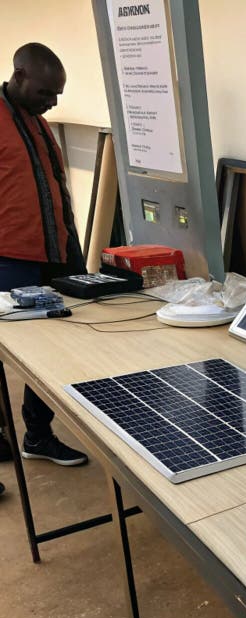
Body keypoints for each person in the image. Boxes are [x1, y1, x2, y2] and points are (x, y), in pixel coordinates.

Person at [0, 43, 87, 466]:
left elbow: (52, 189)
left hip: (55, 253)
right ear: (18, 77)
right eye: (44, 94)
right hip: (8, 259)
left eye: (56, 96)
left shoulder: (36, 121)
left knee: (53, 347)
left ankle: (37, 435)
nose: (51, 104)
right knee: (8, 350)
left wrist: (73, 251)